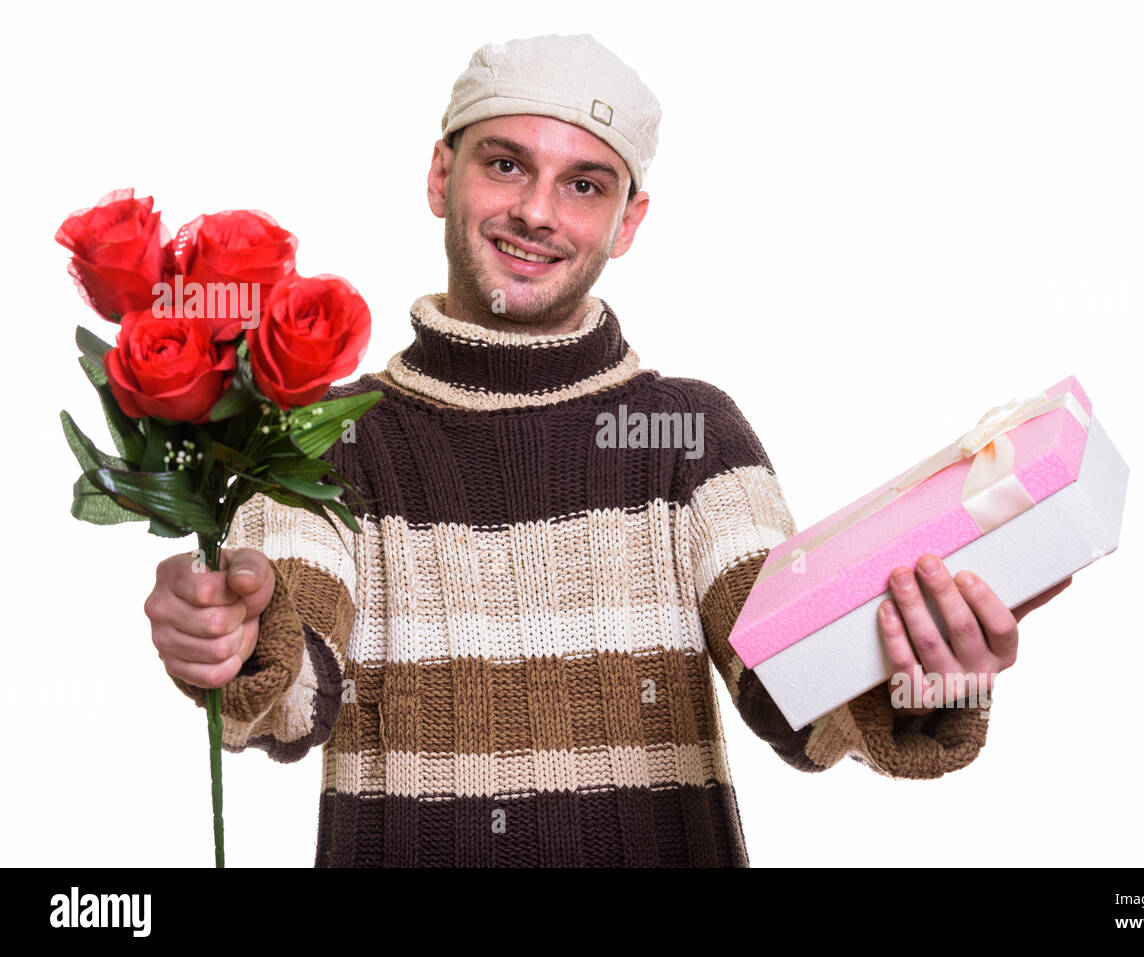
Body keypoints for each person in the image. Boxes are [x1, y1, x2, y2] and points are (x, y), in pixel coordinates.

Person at [144, 33, 1069, 867]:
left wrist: (930, 675)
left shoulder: (692, 435)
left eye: (584, 184)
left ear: (628, 220)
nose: (538, 212)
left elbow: (798, 697)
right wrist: (230, 640)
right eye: (505, 165)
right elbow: (292, 693)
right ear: (440, 174)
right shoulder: (323, 432)